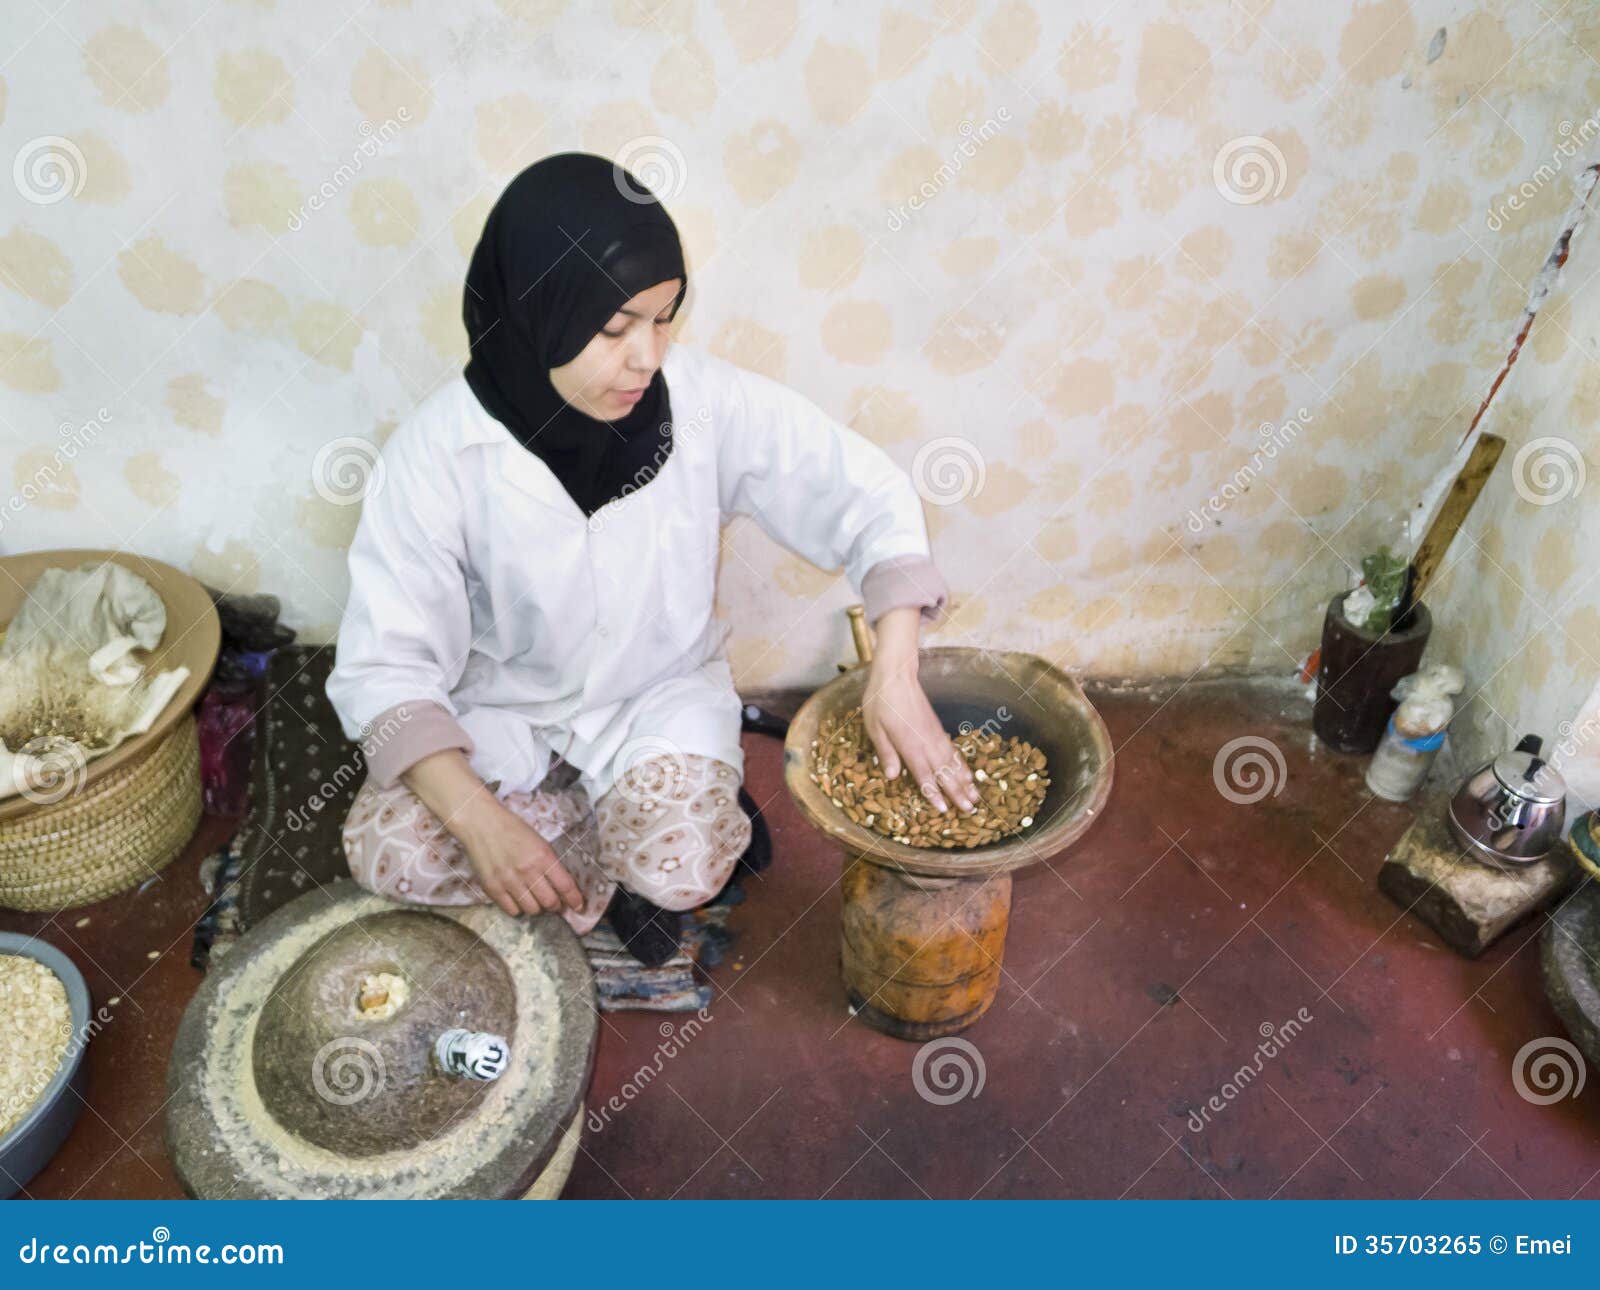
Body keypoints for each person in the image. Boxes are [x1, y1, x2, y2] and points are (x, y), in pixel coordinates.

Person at [325, 151, 977, 965]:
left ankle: (617, 829)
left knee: (686, 865)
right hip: (499, 711)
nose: (648, 356)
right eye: (613, 328)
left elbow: (865, 493)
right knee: (392, 855)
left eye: (665, 317)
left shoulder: (706, 404)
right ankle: (586, 836)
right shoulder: (435, 455)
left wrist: (895, 670)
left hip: (651, 696)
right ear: (537, 312)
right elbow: (384, 666)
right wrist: (476, 820)